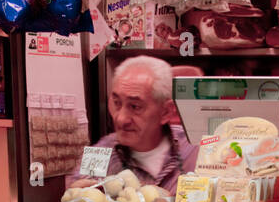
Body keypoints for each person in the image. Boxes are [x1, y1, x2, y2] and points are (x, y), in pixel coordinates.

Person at [67, 55, 196, 193]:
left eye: (135, 107)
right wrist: (77, 196)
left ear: (165, 112)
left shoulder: (196, 149)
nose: (121, 119)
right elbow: (77, 198)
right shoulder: (100, 153)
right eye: (117, 103)